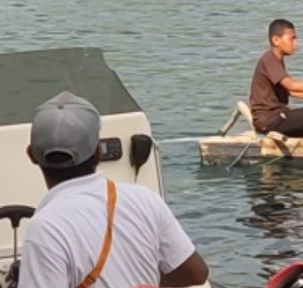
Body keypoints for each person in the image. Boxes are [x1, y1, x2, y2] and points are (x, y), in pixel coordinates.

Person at [18, 92, 208, 288]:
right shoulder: (145, 199)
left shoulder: (45, 228)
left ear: (31, 155)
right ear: (98, 153)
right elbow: (195, 273)